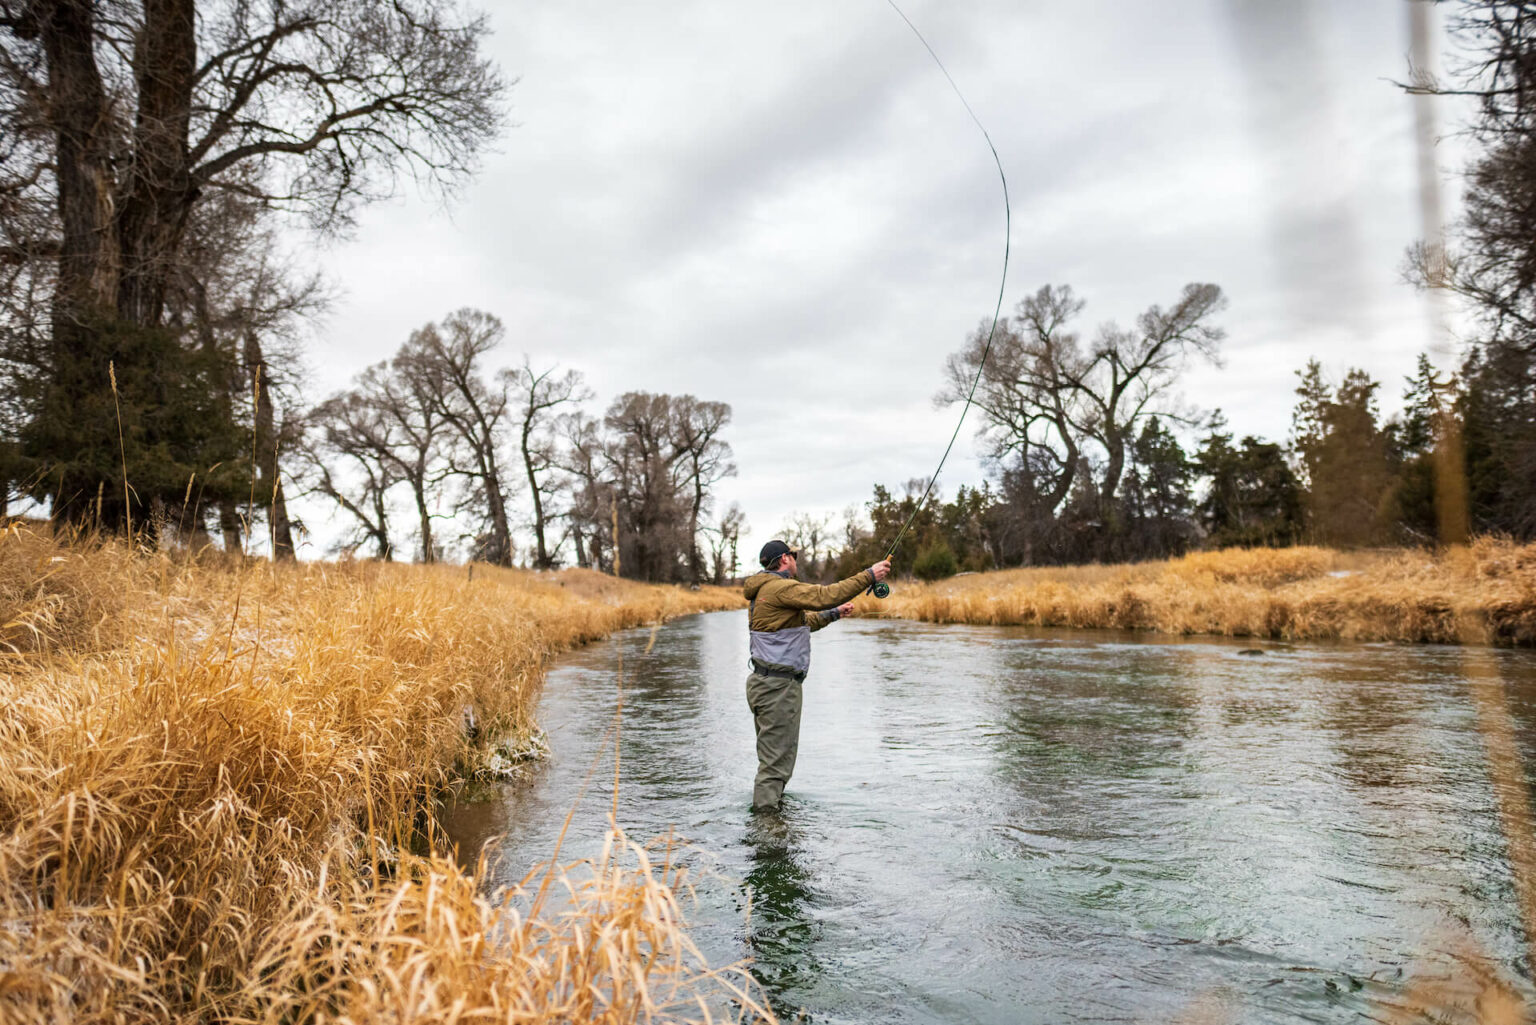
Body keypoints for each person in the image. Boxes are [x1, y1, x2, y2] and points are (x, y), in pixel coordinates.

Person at [742, 539, 893, 812]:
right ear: (784, 559)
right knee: (775, 765)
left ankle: (774, 815)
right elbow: (825, 594)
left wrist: (833, 614)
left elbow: (802, 623)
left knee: (773, 760)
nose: (796, 560)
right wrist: (870, 575)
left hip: (764, 683)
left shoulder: (762, 592)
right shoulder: (780, 587)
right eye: (793, 555)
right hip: (778, 688)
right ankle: (768, 834)